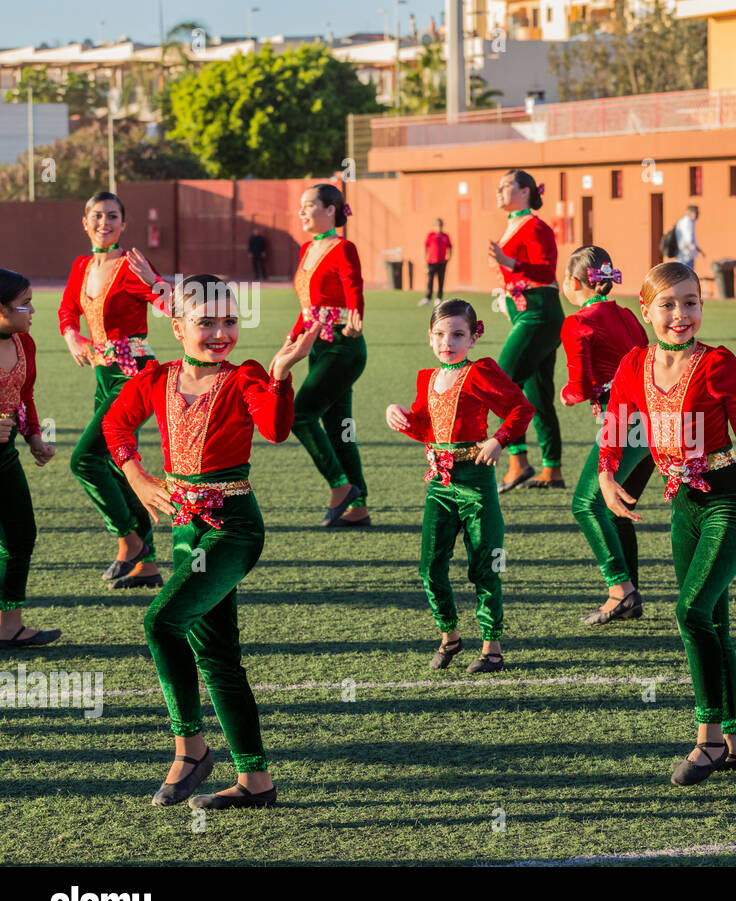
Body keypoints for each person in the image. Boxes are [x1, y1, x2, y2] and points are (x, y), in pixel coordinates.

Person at [597, 261, 736, 785]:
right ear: (646, 310)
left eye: (691, 302)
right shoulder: (635, 363)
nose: (681, 314)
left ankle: (708, 740)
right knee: (713, 624)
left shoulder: (719, 362)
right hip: (683, 506)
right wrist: (608, 474)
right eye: (669, 304)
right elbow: (618, 421)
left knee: (691, 611)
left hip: (730, 501)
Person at [103, 273, 318, 808]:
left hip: (234, 528)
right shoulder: (157, 378)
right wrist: (138, 478)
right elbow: (115, 425)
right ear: (177, 327)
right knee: (217, 655)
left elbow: (274, 429)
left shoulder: (244, 375)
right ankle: (256, 783)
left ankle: (190, 748)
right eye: (206, 322)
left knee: (160, 621)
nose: (220, 332)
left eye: (230, 320)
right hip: (184, 529)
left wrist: (280, 374)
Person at [386, 299, 533, 674]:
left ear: (473, 337)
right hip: (439, 483)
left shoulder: (480, 372)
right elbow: (426, 427)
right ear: (429, 336)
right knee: (430, 566)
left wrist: (499, 439)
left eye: (457, 334)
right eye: (439, 334)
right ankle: (449, 636)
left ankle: (492, 648)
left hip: (476, 481)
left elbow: (521, 408)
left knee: (484, 565)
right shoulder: (428, 378)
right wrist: (402, 418)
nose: (446, 342)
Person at [58, 191, 166, 589]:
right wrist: (73, 338)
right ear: (85, 222)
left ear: (124, 223)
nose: (105, 223)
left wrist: (156, 283)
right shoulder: (82, 265)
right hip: (103, 375)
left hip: (134, 375)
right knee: (118, 465)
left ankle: (128, 540)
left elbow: (166, 303)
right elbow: (67, 309)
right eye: (98, 216)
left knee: (85, 460)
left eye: (113, 216)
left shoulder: (131, 264)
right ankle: (148, 564)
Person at [557, 246, 655, 625]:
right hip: (652, 423)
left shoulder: (578, 323)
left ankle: (621, 589)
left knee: (586, 504)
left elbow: (578, 388)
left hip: (624, 422)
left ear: (574, 282)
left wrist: (566, 396)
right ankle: (632, 597)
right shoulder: (627, 314)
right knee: (617, 509)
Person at [289, 182, 370, 528]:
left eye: (309, 205)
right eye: (301, 206)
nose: (302, 212)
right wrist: (293, 337)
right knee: (339, 428)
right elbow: (309, 306)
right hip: (317, 343)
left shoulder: (343, 247)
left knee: (300, 414)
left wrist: (356, 316)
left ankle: (341, 487)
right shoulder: (307, 248)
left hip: (342, 344)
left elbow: (354, 285)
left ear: (330, 211)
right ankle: (359, 505)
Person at [489, 168, 566, 493]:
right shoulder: (516, 223)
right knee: (537, 395)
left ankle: (518, 460)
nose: (499, 191)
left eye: (506, 186)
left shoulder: (536, 226)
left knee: (502, 382)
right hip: (528, 313)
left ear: (525, 191)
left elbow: (547, 269)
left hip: (539, 313)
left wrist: (511, 263)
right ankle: (553, 469)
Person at [0, 269, 59, 648]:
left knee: (20, 537)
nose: (32, 309)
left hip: (5, 457)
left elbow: (25, 397)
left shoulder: (26, 344)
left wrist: (35, 437)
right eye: (25, 303)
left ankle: (8, 626)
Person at [420, 218, 452, 306]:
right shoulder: (430, 235)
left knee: (441, 280)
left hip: (442, 262)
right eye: (437, 225)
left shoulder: (446, 236)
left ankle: (438, 298)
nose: (439, 227)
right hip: (431, 262)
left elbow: (450, 247)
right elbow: (425, 246)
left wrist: (449, 257)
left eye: (440, 225)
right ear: (435, 226)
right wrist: (425, 259)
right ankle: (428, 298)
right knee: (430, 280)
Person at [674, 205, 703, 269]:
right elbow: (689, 240)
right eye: (697, 213)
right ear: (691, 213)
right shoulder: (688, 222)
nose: (698, 215)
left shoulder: (681, 221)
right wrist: (697, 250)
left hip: (681, 255)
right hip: (687, 256)